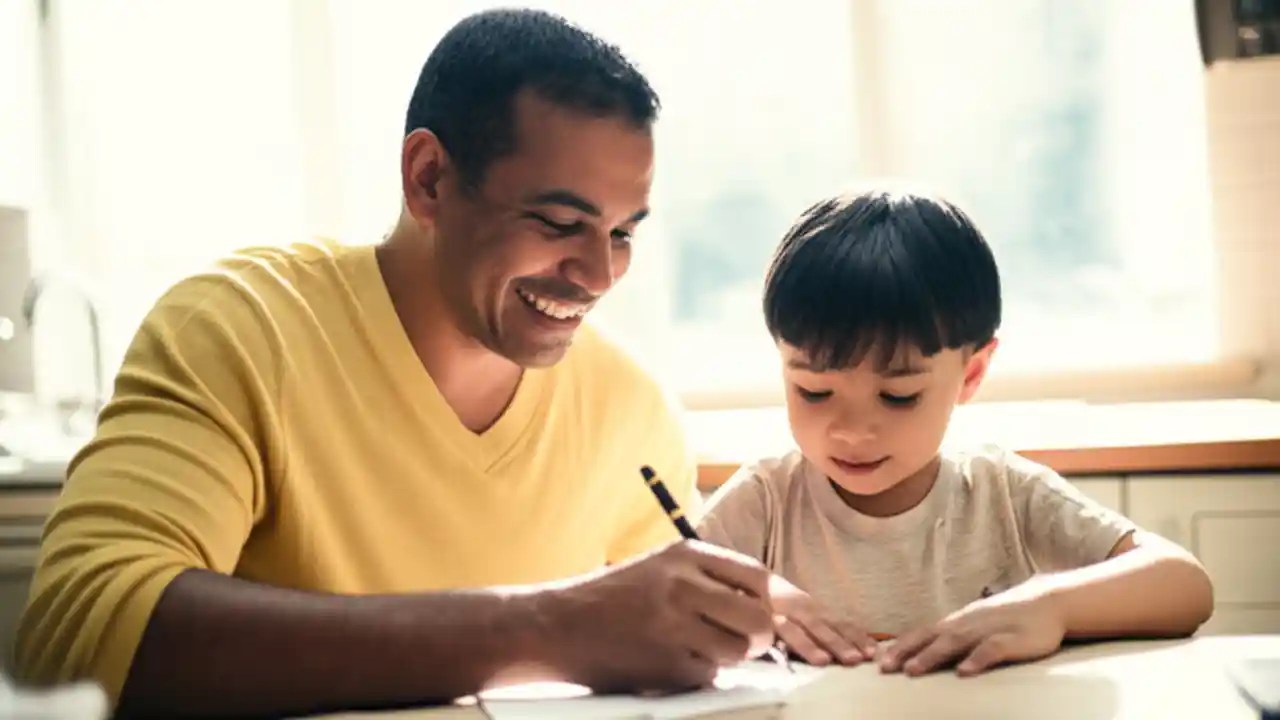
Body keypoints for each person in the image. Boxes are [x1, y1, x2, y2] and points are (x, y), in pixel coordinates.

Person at [14, 9, 776, 718]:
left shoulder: (629, 410)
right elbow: (77, 635)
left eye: (622, 233)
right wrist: (547, 627)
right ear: (429, 179)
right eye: (557, 222)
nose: (599, 274)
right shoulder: (240, 331)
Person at [697, 188, 1215, 676]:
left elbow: (1184, 584)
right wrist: (762, 595)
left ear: (971, 374)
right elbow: (658, 596)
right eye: (812, 390)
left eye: (898, 397)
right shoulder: (767, 500)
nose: (851, 432)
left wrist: (1050, 608)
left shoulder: (1003, 492)